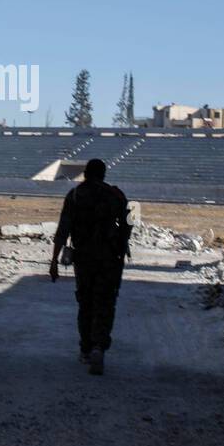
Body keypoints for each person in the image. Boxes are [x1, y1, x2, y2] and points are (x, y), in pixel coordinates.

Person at [49, 159, 132, 375]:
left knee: (85, 303)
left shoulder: (75, 195)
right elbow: (129, 224)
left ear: (85, 174)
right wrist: (122, 246)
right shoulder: (115, 195)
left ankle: (86, 348)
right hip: (110, 258)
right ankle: (99, 346)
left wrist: (54, 261)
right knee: (105, 302)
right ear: (103, 174)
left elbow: (63, 230)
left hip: (84, 258)